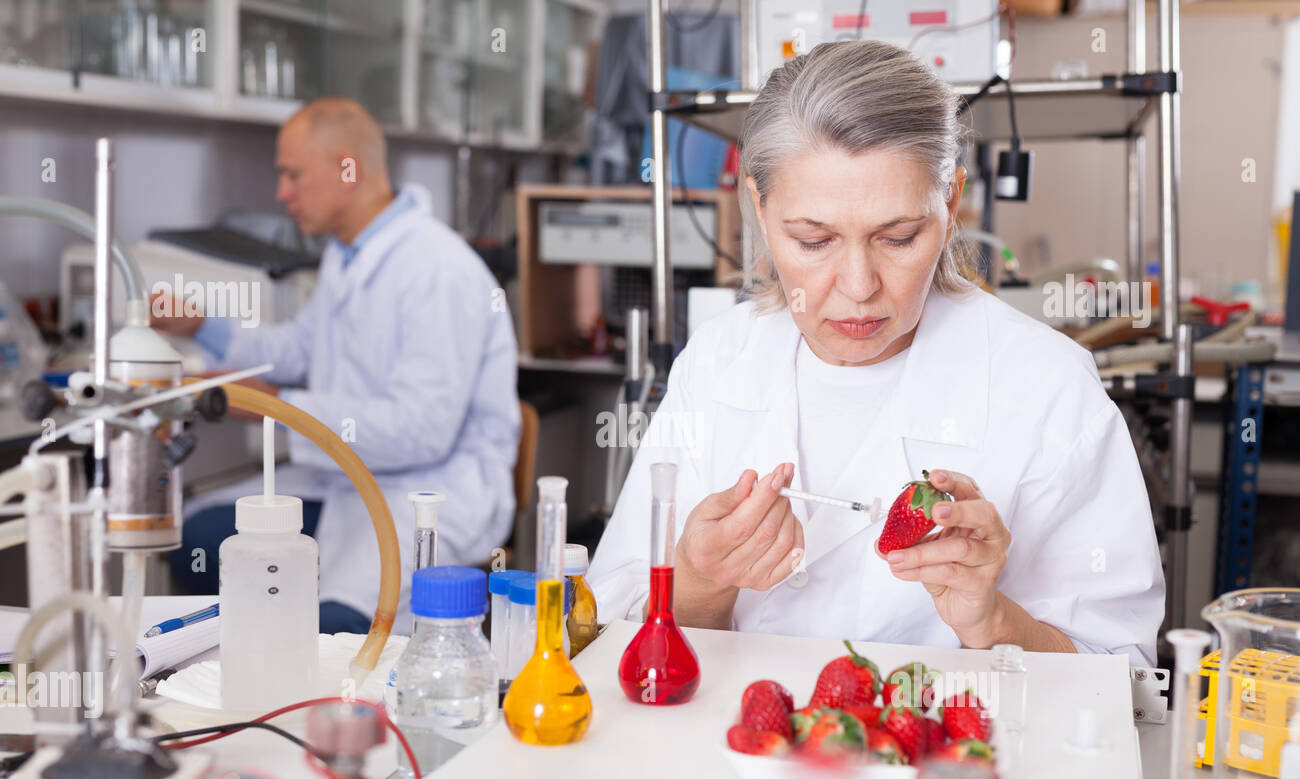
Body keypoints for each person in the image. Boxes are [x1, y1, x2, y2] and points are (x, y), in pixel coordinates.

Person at [587, 41, 1163, 666]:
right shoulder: (718, 362)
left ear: (949, 204)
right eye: (814, 240)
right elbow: (609, 639)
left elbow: (1122, 680)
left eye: (898, 237)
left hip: (954, 764)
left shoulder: (1048, 386)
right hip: (738, 759)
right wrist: (700, 587)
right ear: (758, 205)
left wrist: (993, 620)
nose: (858, 286)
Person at [156, 98, 520, 634]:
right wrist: (201, 329)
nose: (282, 194)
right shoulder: (346, 254)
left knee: (330, 633)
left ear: (347, 169)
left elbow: (422, 432)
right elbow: (301, 349)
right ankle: (236, 678)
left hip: (430, 493)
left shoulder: (439, 272)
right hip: (349, 480)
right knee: (198, 539)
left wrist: (273, 410)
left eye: (292, 174)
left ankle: (289, 692)